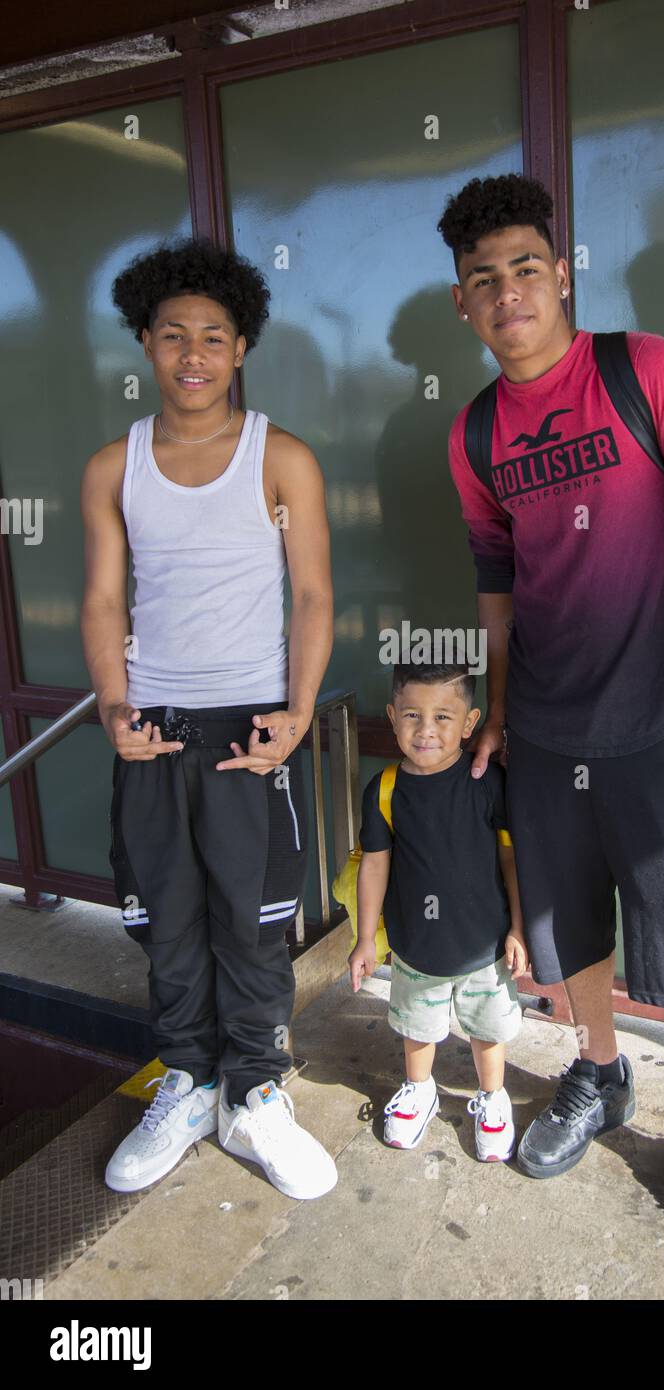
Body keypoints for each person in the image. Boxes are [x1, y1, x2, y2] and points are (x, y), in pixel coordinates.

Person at [438, 174, 664, 1291]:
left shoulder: (646, 372)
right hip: (545, 729)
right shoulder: (476, 431)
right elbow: (496, 580)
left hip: (657, 725)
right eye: (482, 280)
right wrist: (497, 707)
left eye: (524, 269)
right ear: (463, 305)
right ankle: (598, 1075)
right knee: (564, 931)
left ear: (562, 274)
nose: (507, 294)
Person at [80, 237, 337, 1200]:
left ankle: (258, 1095)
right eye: (174, 335)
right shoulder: (115, 465)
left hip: (248, 729)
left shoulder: (285, 459)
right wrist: (114, 703)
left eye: (215, 337)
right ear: (146, 342)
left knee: (255, 922)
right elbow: (105, 602)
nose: (194, 353)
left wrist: (298, 710)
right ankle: (188, 1082)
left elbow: (312, 596)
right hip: (150, 725)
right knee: (168, 920)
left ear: (241, 349)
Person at [348, 663, 528, 1161]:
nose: (426, 729)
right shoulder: (383, 789)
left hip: (485, 948)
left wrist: (518, 926)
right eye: (411, 715)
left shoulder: (488, 782)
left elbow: (512, 859)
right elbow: (375, 867)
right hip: (415, 949)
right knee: (417, 1029)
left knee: (488, 1032)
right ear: (391, 716)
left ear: (470, 723)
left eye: (443, 717)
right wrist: (366, 939)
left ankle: (493, 1098)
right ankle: (419, 1089)